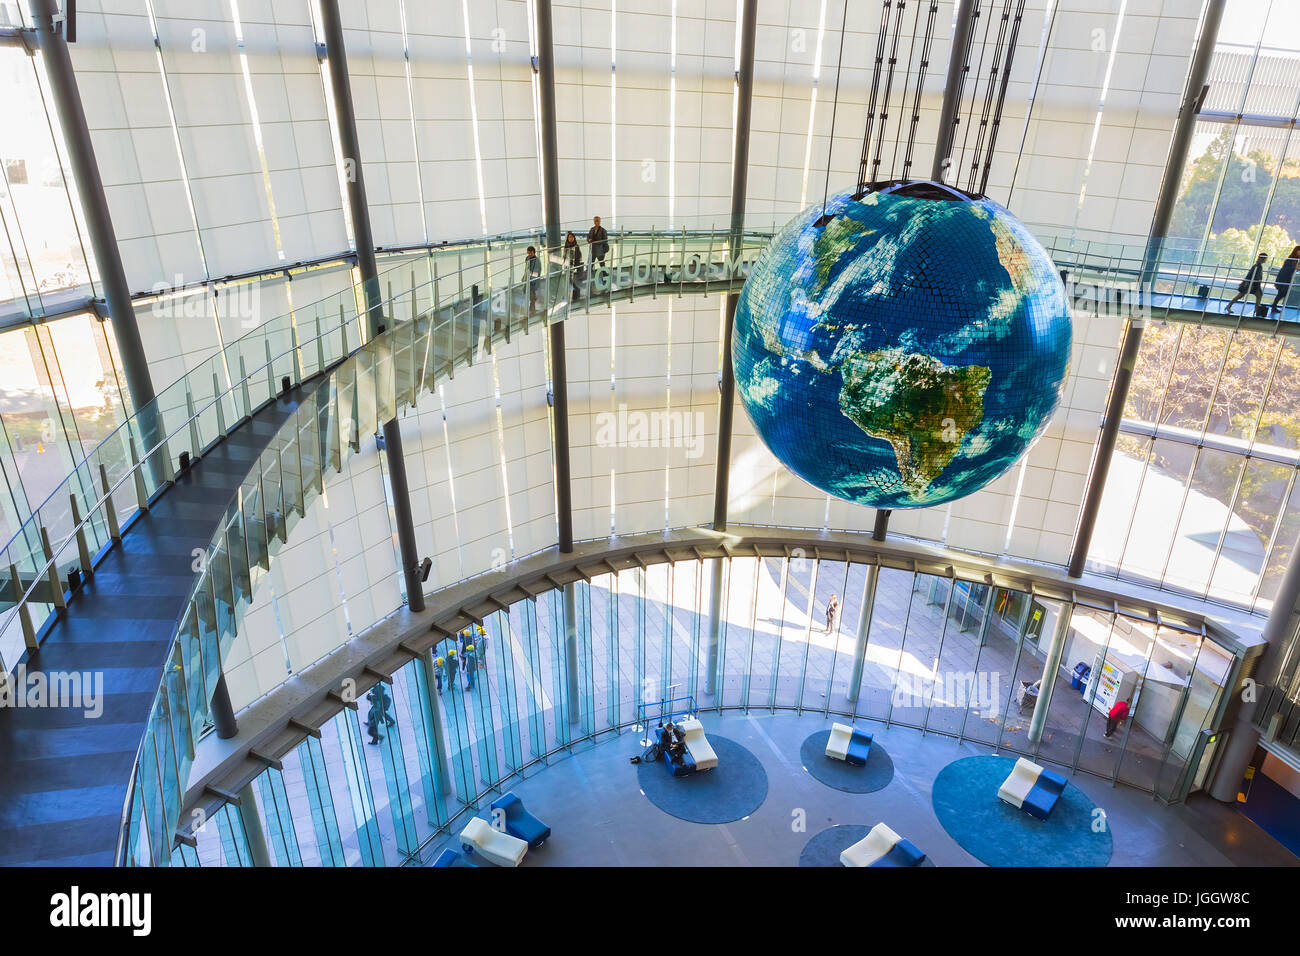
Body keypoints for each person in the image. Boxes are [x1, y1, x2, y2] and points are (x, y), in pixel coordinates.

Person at [1271, 245, 1300, 314]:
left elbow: (1294, 269)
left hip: (1286, 279)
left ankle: (1274, 306)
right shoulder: (1290, 260)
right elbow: (1287, 269)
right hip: (1283, 279)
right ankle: (1273, 306)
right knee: (1282, 293)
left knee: (1282, 293)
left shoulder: (1295, 260)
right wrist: (1296, 268)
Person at [564, 231, 584, 300]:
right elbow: (564, 255)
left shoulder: (576, 246)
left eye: (572, 237)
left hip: (572, 265)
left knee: (570, 278)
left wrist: (576, 265)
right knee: (568, 278)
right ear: (568, 238)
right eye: (569, 237)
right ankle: (575, 291)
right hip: (567, 264)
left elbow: (578, 256)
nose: (571, 238)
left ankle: (576, 290)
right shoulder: (566, 246)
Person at [525, 245, 542, 313]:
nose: (529, 254)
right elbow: (526, 268)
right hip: (528, 279)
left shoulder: (537, 260)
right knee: (531, 295)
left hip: (533, 280)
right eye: (528, 253)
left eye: (530, 253)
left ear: (533, 252)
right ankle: (532, 309)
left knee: (532, 295)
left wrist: (532, 276)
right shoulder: (527, 258)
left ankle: (532, 309)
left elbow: (538, 271)